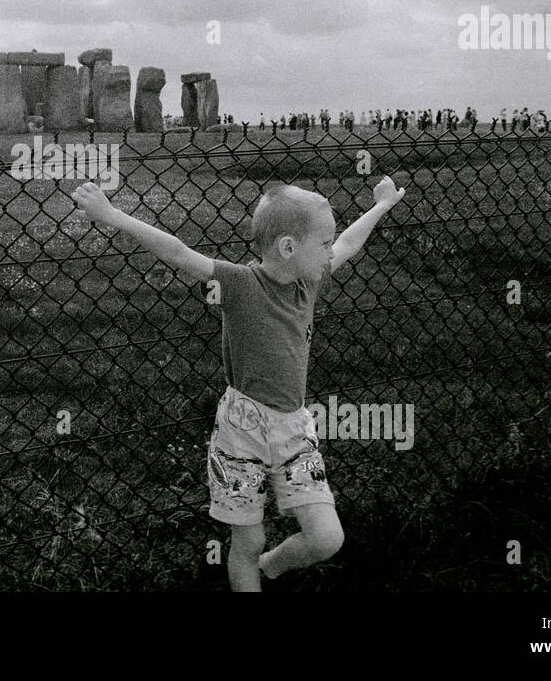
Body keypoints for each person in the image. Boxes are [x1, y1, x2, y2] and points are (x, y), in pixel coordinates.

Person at [70, 174, 406, 591]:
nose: (330, 252)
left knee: (326, 538)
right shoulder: (240, 284)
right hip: (241, 431)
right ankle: (253, 568)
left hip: (295, 430)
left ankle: (272, 567)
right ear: (288, 247)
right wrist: (110, 214)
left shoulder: (308, 280)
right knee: (248, 539)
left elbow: (351, 243)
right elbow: (177, 251)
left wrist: (382, 206)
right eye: (323, 243)